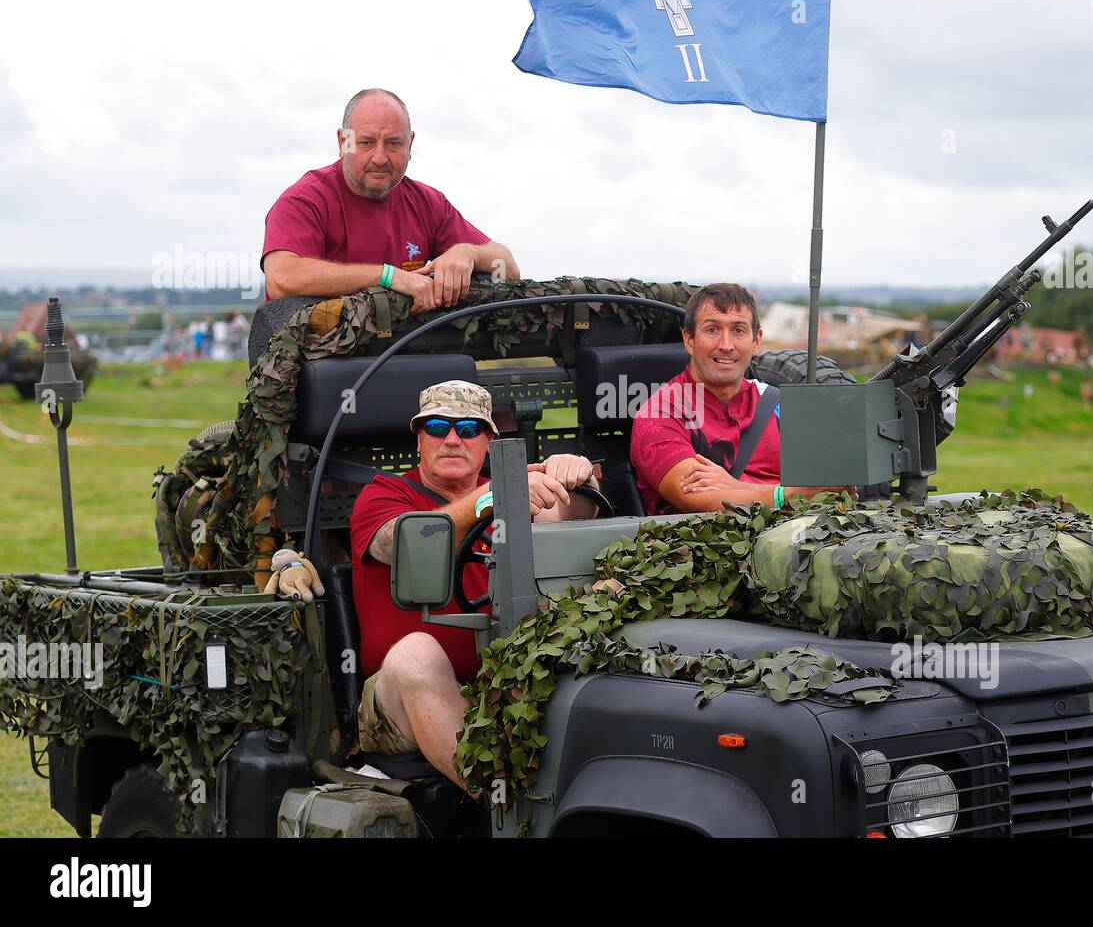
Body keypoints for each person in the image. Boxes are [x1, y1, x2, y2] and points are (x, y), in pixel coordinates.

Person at [349, 380, 597, 787]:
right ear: (419, 440)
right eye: (436, 427)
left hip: (505, 685)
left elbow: (579, 514)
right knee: (415, 653)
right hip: (394, 708)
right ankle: (502, 805)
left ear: (487, 441)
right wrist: (489, 498)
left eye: (467, 429)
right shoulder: (383, 495)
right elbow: (401, 544)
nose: (451, 440)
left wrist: (578, 477)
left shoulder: (512, 492)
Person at [261, 88, 520, 314]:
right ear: (343, 142)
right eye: (366, 143)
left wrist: (468, 253)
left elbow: (507, 270)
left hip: (401, 358)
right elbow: (282, 278)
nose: (380, 158)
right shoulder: (304, 200)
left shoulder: (428, 204)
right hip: (317, 363)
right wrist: (390, 277)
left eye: (394, 143)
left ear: (410, 144)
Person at [630, 283, 844, 514]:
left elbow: (830, 482)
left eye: (738, 330)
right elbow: (696, 499)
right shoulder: (659, 415)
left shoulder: (779, 406)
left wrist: (737, 487)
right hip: (704, 546)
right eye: (712, 330)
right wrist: (786, 494)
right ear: (689, 339)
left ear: (756, 342)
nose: (726, 345)